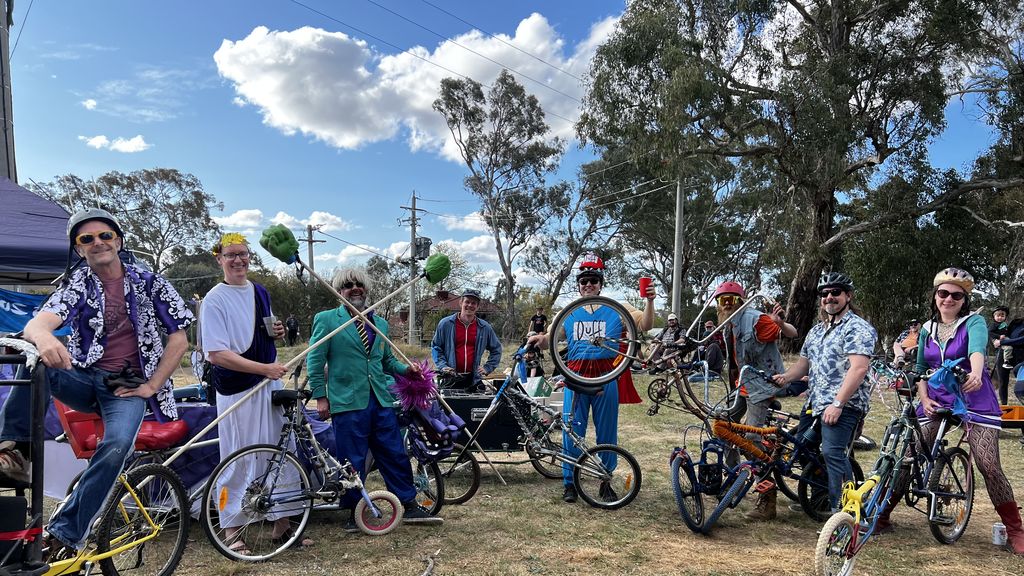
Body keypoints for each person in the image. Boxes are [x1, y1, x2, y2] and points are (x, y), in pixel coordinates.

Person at [0, 208, 192, 559]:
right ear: (78, 249)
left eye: (105, 236)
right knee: (34, 357)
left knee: (117, 446)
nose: (98, 243)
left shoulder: (151, 282)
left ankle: (64, 534)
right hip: (84, 377)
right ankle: (16, 450)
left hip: (127, 386)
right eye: (86, 239)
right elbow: (38, 324)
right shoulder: (78, 283)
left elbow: (180, 338)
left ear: (118, 241)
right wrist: (44, 339)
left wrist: (151, 387)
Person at [877, 268, 1024, 554]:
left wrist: (977, 373)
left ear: (964, 300)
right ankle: (882, 514)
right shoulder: (926, 330)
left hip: (974, 398)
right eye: (943, 293)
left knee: (988, 464)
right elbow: (920, 369)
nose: (948, 299)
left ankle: (1015, 530)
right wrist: (924, 396)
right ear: (935, 297)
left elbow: (977, 351)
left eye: (956, 295)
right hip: (937, 398)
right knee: (911, 454)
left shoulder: (975, 323)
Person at [200, 233, 312, 552]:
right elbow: (216, 354)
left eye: (243, 254)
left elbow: (265, 332)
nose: (238, 260)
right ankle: (231, 530)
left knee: (280, 450)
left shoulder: (260, 292)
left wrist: (275, 333)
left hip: (268, 383)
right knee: (238, 454)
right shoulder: (214, 300)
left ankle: (283, 525)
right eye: (231, 255)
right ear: (219, 259)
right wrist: (264, 369)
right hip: (238, 389)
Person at [307, 267, 441, 530]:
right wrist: (321, 397)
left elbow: (386, 360)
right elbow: (315, 360)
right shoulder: (327, 320)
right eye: (348, 285)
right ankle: (356, 512)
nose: (355, 289)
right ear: (339, 291)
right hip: (347, 401)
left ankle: (408, 504)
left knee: (394, 452)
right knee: (352, 460)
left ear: (367, 290)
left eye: (359, 285)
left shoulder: (379, 323)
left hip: (379, 400)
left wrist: (408, 370)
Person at [527, 252, 654, 503]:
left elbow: (645, 325)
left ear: (601, 283)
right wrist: (536, 340)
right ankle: (570, 482)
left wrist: (650, 301)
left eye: (593, 280)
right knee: (572, 430)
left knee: (607, 432)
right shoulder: (569, 311)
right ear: (578, 284)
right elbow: (550, 340)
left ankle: (605, 479)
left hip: (607, 377)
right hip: (575, 377)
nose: (588, 285)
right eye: (583, 280)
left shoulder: (617, 308)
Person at [773, 272, 876, 512]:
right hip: (815, 401)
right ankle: (819, 499)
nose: (829, 297)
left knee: (833, 453)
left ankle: (845, 511)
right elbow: (803, 365)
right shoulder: (817, 331)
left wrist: (838, 404)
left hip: (844, 404)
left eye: (835, 292)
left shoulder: (858, 328)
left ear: (848, 296)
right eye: (824, 294)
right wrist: (785, 378)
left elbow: (859, 368)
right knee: (802, 449)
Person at [712, 281, 796, 520]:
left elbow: (790, 332)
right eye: (722, 300)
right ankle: (735, 478)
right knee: (722, 423)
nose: (727, 304)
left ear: (741, 300)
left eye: (732, 299)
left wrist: (780, 322)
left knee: (751, 439)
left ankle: (767, 499)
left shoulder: (756, 319)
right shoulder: (730, 324)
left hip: (762, 386)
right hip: (744, 385)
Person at [430, 288, 502, 393]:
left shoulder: (484, 327)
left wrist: (488, 367)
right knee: (449, 407)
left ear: (477, 306)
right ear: (461, 303)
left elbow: (496, 349)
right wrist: (443, 366)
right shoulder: (445, 324)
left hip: (473, 380)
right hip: (451, 378)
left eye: (474, 303)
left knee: (475, 407)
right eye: (467, 302)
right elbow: (436, 346)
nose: (470, 305)